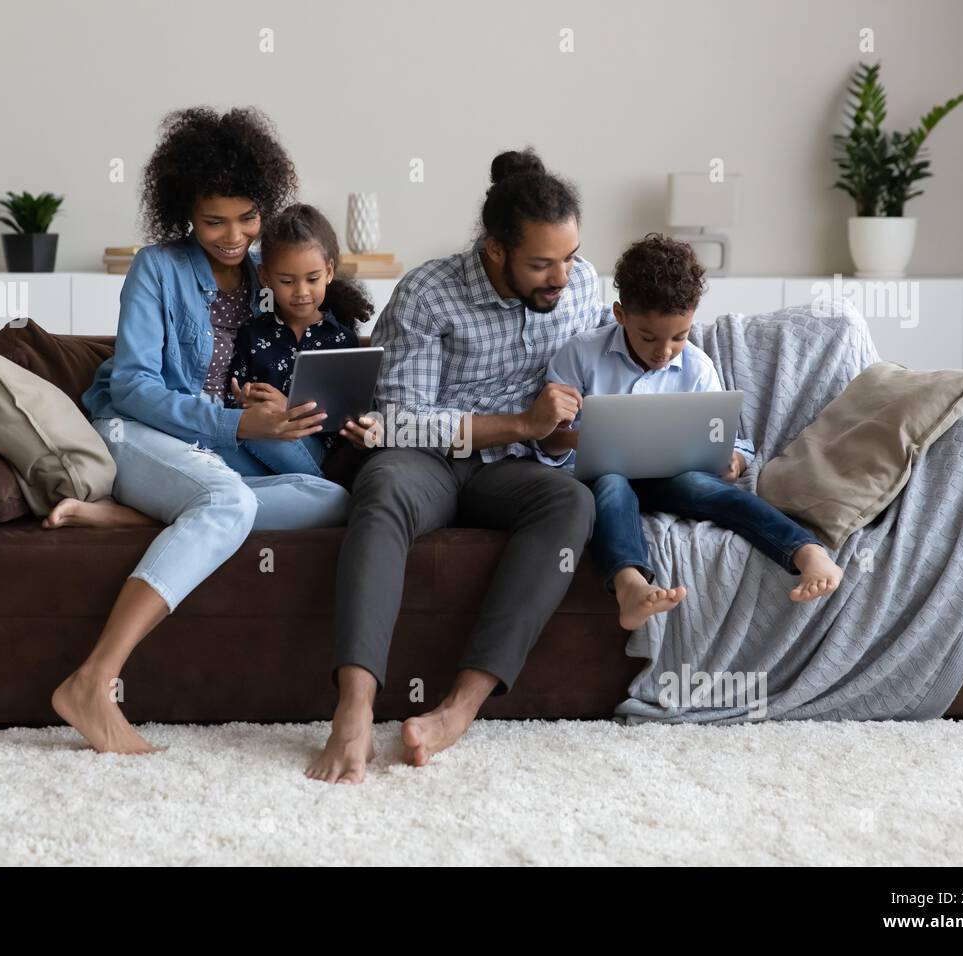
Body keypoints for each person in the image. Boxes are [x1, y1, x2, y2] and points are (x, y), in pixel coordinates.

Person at [47, 107, 350, 755]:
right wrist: (236, 420)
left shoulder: (277, 269)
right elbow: (131, 387)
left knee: (335, 497)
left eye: (248, 218)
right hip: (137, 433)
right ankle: (92, 682)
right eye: (215, 220)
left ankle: (137, 519)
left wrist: (286, 412)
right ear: (185, 210)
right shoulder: (157, 269)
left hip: (223, 447)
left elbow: (310, 341)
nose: (234, 236)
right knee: (229, 500)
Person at [307, 148, 608, 784]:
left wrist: (572, 433)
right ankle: (354, 707)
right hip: (428, 460)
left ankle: (458, 710)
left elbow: (606, 369)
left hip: (514, 471)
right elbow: (396, 419)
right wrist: (522, 423)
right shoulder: (430, 292)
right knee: (383, 487)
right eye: (542, 263)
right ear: (496, 250)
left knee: (571, 503)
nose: (562, 276)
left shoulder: (582, 287)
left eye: (570, 257)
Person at [537, 233, 844, 632]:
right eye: (649, 337)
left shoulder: (697, 366)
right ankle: (631, 586)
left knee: (705, 489)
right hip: (603, 474)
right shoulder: (580, 354)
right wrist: (586, 437)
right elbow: (547, 440)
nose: (664, 351)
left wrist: (732, 459)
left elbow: (732, 440)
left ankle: (806, 551)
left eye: (678, 337)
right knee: (612, 485)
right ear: (620, 314)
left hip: (673, 476)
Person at [226, 203, 367, 476]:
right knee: (227, 445)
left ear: (328, 272)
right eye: (287, 281)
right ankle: (307, 495)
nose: (301, 291)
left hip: (317, 453)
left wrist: (288, 408)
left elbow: (348, 418)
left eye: (312, 279)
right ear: (265, 277)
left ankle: (319, 489)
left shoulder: (342, 339)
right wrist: (242, 402)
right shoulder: (252, 335)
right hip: (260, 446)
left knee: (262, 437)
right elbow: (234, 408)